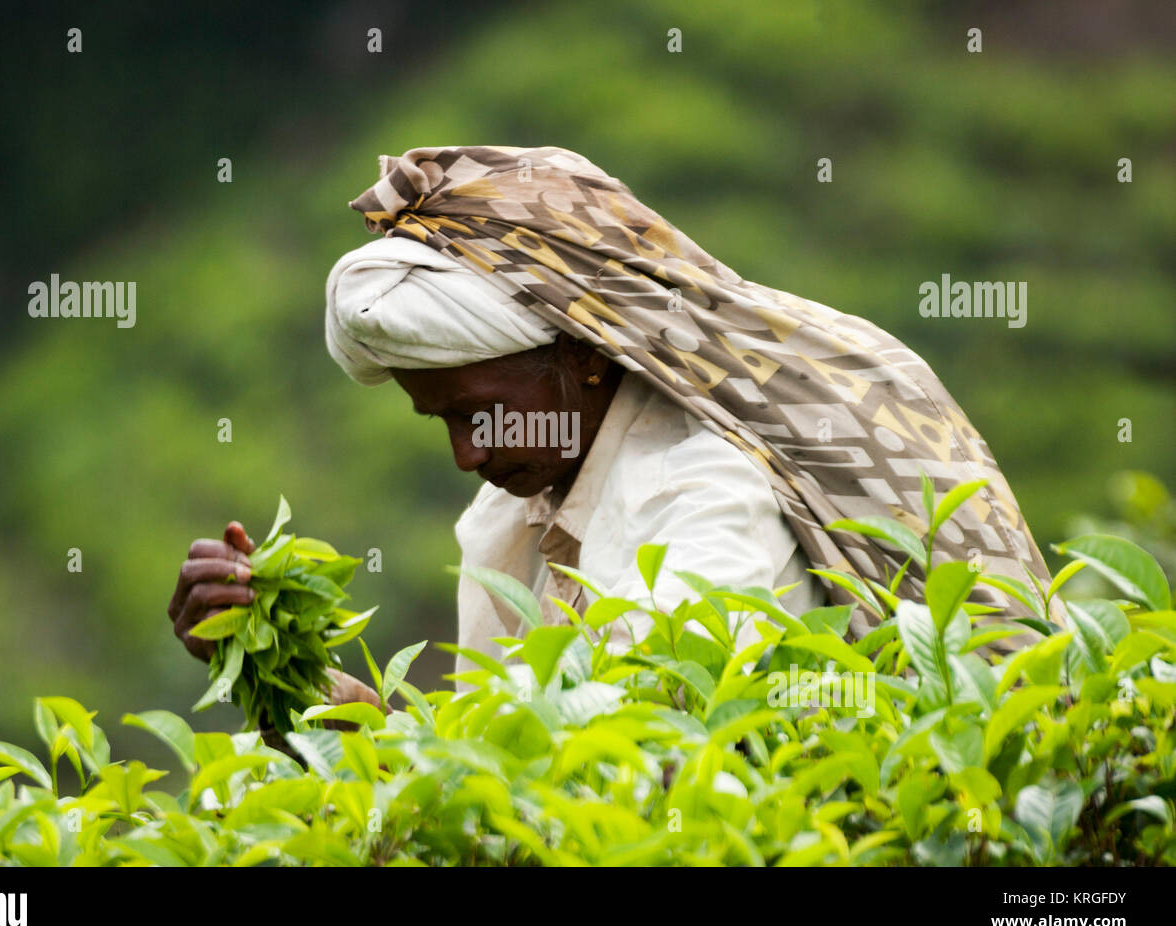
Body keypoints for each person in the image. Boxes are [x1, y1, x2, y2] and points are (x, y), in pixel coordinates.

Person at [168, 144, 1059, 722]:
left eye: (480, 412)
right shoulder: (514, 514)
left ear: (587, 357)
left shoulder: (706, 493)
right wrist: (280, 673)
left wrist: (356, 719)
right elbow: (484, 791)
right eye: (439, 421)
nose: (467, 455)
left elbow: (603, 780)